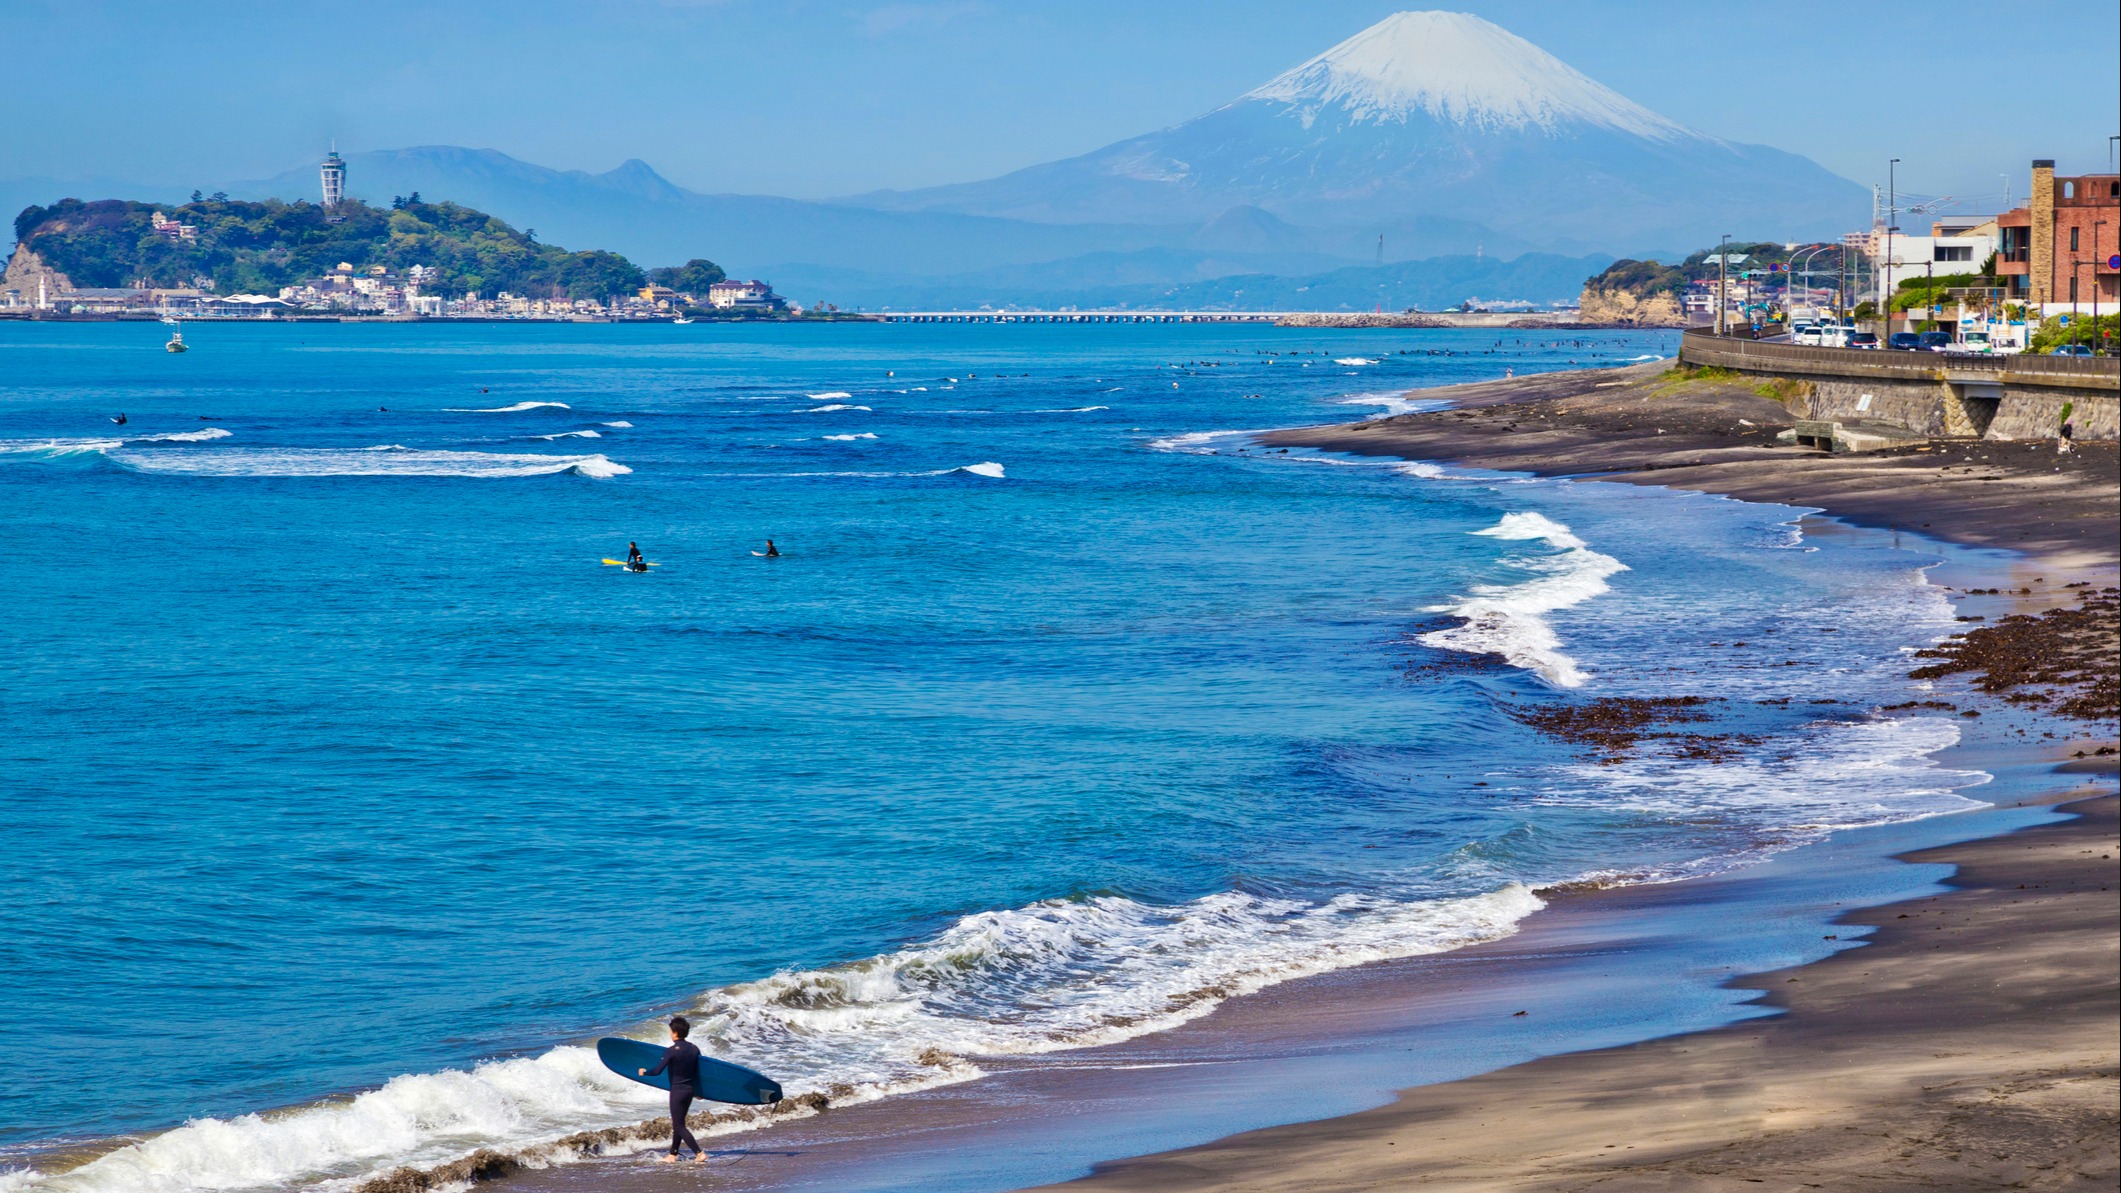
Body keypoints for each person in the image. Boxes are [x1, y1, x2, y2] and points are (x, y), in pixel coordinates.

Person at [639, 1015, 706, 1163]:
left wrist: (644, 1072)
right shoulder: (694, 1049)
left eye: (670, 1031)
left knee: (679, 1125)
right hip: (689, 1091)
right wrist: (699, 1091)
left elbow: (657, 1071)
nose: (670, 1033)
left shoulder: (671, 1051)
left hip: (677, 1092)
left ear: (675, 1033)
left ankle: (699, 1152)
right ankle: (672, 1155)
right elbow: (698, 1072)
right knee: (679, 1123)